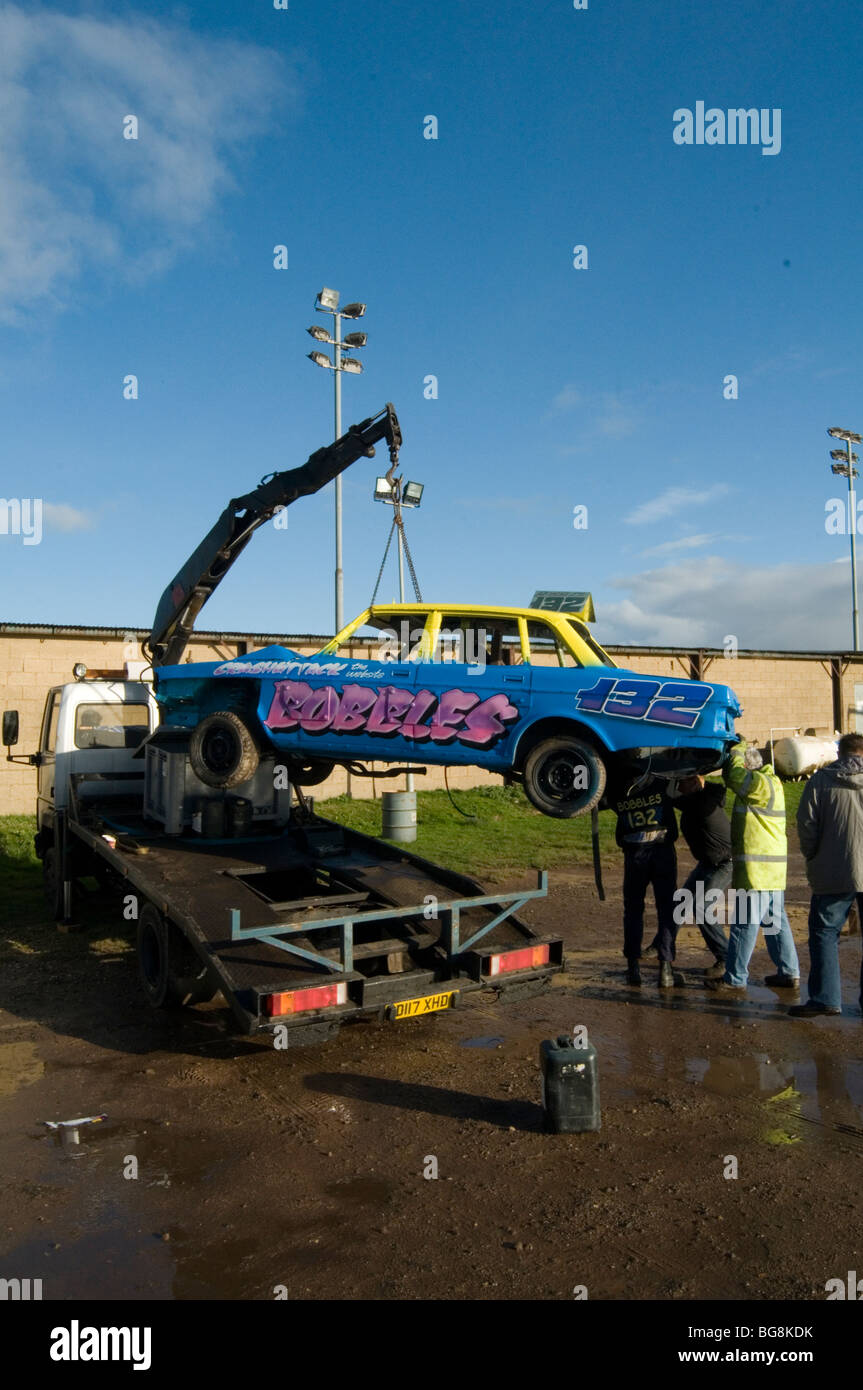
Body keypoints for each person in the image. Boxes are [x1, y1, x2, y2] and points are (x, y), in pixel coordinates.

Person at [705, 737, 799, 997]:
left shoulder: (759, 783)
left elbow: (734, 777)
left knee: (744, 924)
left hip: (757, 869)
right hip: (771, 869)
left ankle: (735, 978)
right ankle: (788, 973)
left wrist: (734, 752)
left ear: (748, 766)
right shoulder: (772, 783)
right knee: (775, 923)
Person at [791, 732, 863, 1018]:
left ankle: (825, 998)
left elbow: (806, 825)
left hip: (833, 869)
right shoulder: (820, 781)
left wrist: (814, 857)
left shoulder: (820, 781)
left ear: (839, 752)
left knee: (824, 933)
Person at [608, 771, 681, 988]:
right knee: (667, 911)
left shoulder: (617, 787)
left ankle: (633, 968)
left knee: (632, 911)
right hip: (662, 851)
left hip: (634, 854)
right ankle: (666, 970)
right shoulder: (662, 779)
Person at [669, 774, 732, 978]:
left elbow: (673, 798)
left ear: (695, 783)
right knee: (681, 903)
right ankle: (662, 946)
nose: (678, 786)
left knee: (701, 907)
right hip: (708, 862)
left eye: (682, 782)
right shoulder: (699, 798)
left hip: (725, 863)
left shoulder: (702, 802)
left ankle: (726, 958)